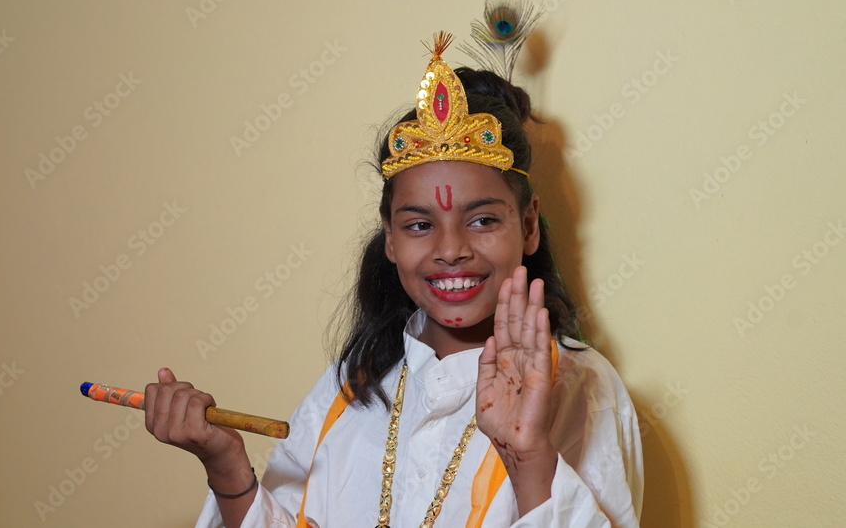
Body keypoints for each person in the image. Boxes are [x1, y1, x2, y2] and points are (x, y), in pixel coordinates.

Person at [144, 28, 643, 527]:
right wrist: (226, 466)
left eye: (483, 220)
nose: (451, 250)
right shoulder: (352, 384)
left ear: (529, 225)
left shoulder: (581, 386)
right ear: (389, 238)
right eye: (420, 225)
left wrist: (528, 456)